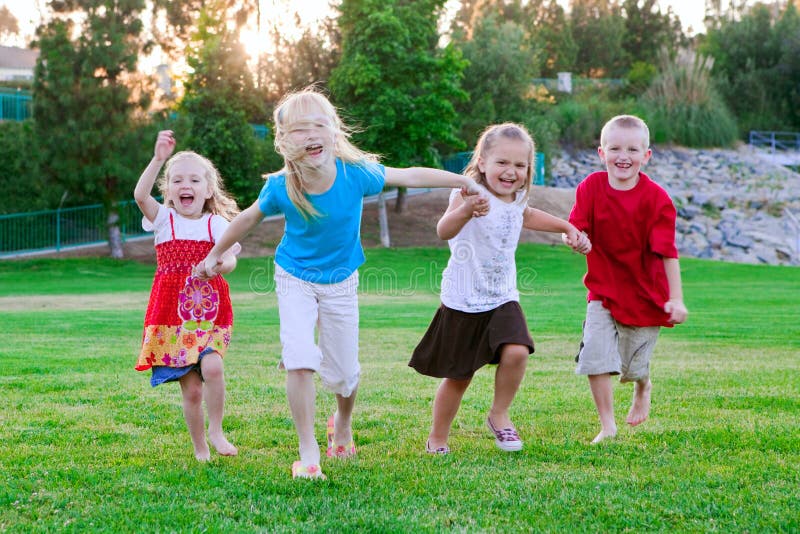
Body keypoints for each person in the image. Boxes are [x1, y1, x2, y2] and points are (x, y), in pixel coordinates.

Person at [195, 87, 488, 480]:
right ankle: (308, 451)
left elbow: (409, 175)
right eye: (299, 129)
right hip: (294, 276)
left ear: (334, 131)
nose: (311, 135)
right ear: (284, 141)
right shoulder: (282, 186)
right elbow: (247, 219)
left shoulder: (356, 174)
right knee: (299, 357)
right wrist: (214, 254)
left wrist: (462, 181)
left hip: (341, 281)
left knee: (345, 373)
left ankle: (342, 424)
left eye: (319, 125)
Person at [409, 123, 591, 454]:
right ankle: (437, 438)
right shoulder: (466, 194)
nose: (511, 172)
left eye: (519, 165)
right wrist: (465, 211)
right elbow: (443, 230)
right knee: (459, 377)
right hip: (463, 300)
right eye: (502, 163)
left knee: (518, 350)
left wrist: (566, 226)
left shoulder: (517, 198)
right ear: (481, 162)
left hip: (503, 297)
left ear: (528, 170)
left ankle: (499, 414)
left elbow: (529, 215)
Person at [568, 114, 688, 444]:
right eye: (615, 148)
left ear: (646, 156)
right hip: (602, 291)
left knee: (631, 365)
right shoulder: (590, 187)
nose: (624, 156)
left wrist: (675, 298)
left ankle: (643, 385)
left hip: (645, 293)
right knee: (595, 354)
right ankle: (607, 425)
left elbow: (668, 253)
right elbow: (578, 228)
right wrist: (576, 238)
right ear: (601, 153)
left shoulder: (657, 199)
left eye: (633, 149)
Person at [134, 130, 241, 461]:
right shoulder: (164, 220)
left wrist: (219, 264)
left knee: (212, 369)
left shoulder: (215, 224)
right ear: (168, 190)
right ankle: (200, 448)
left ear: (208, 190)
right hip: (172, 318)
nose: (186, 186)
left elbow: (233, 258)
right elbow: (139, 195)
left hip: (209, 314)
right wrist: (158, 159)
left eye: (195, 180)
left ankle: (217, 430)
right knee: (192, 390)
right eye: (177, 180)